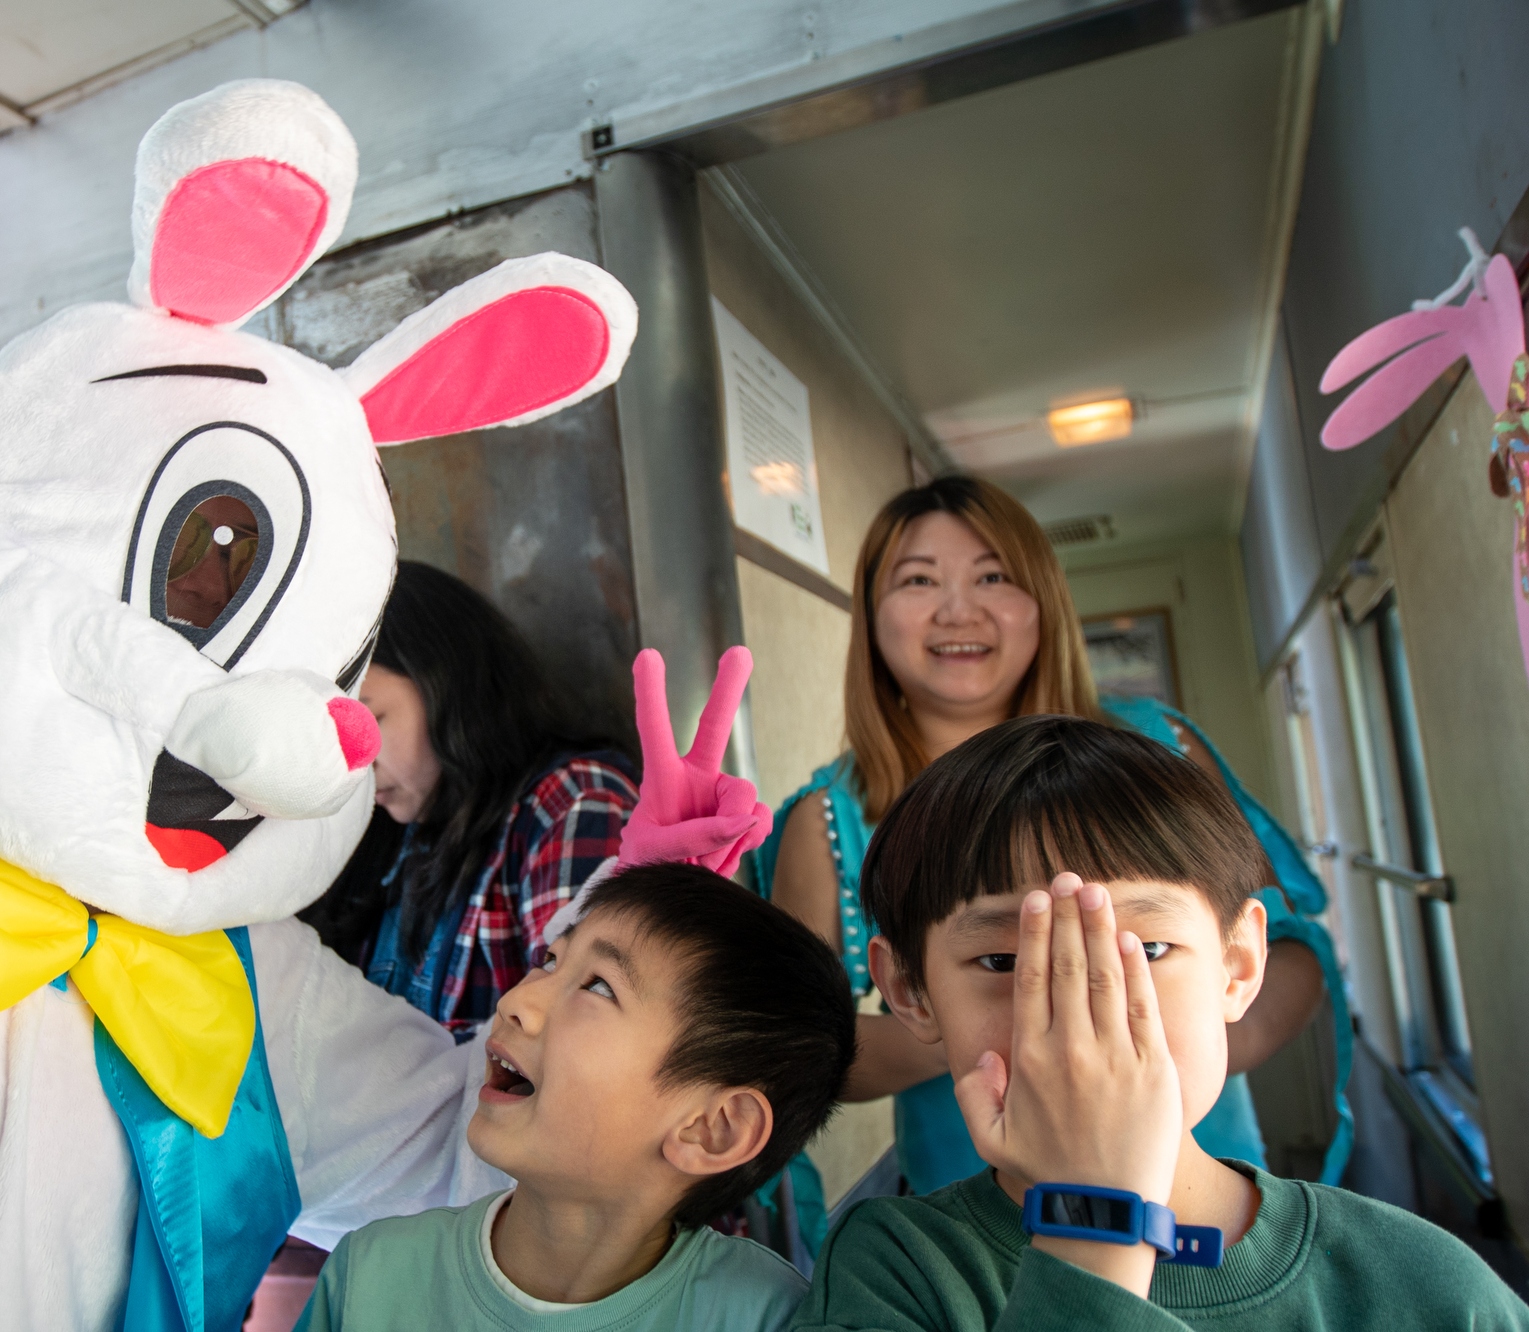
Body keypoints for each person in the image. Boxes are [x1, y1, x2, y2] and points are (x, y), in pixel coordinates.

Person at [791, 716, 1528, 1331]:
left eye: (1146, 948)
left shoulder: (1425, 1286)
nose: (1081, 1008)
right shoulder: (894, 1273)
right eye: (1004, 961)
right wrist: (1096, 1223)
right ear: (911, 991)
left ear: (1238, 965)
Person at [752, 476, 1349, 1198]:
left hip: (1206, 1189)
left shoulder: (1161, 746)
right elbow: (794, 1041)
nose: (956, 608)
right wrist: (1003, 1030)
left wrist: (1195, 1045)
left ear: (1043, 602)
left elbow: (1288, 946)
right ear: (871, 617)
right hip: (972, 1219)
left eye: (993, 575)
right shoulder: (827, 819)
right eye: (918, 580)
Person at [293, 863, 855, 1332]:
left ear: (712, 1129)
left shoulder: (770, 1319)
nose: (518, 1001)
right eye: (550, 961)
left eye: (598, 986)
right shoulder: (369, 1275)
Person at [300, 561, 639, 1041]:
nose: (352, 764)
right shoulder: (390, 832)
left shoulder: (574, 802)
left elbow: (573, 1039)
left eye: (370, 717)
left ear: (445, 680)